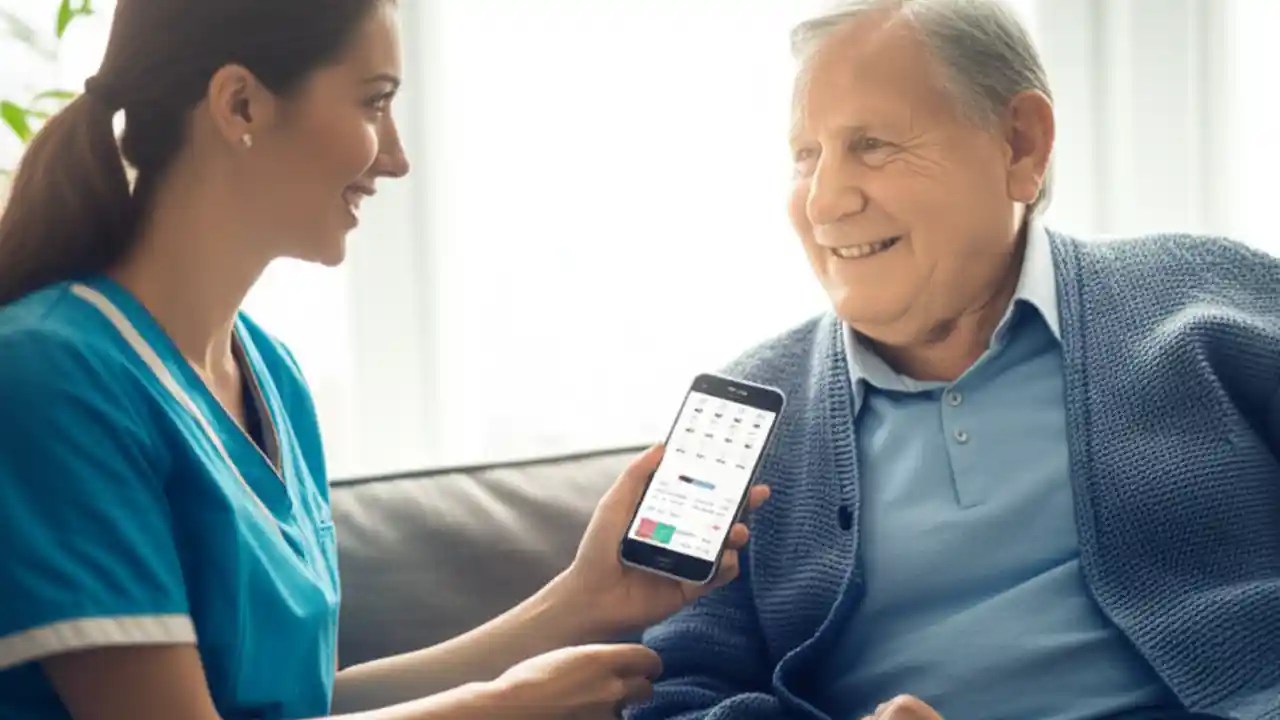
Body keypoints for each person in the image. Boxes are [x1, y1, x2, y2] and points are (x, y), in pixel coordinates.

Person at [0, 1, 770, 718]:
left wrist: (582, 601)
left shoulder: (269, 375)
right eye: (373, 102)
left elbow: (303, 705)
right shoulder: (52, 377)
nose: (397, 157)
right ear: (240, 104)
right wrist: (494, 709)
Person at [632, 1, 1280, 719]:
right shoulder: (741, 414)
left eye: (873, 143)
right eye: (806, 155)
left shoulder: (1216, 304)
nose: (825, 201)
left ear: (1019, 145)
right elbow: (675, 691)